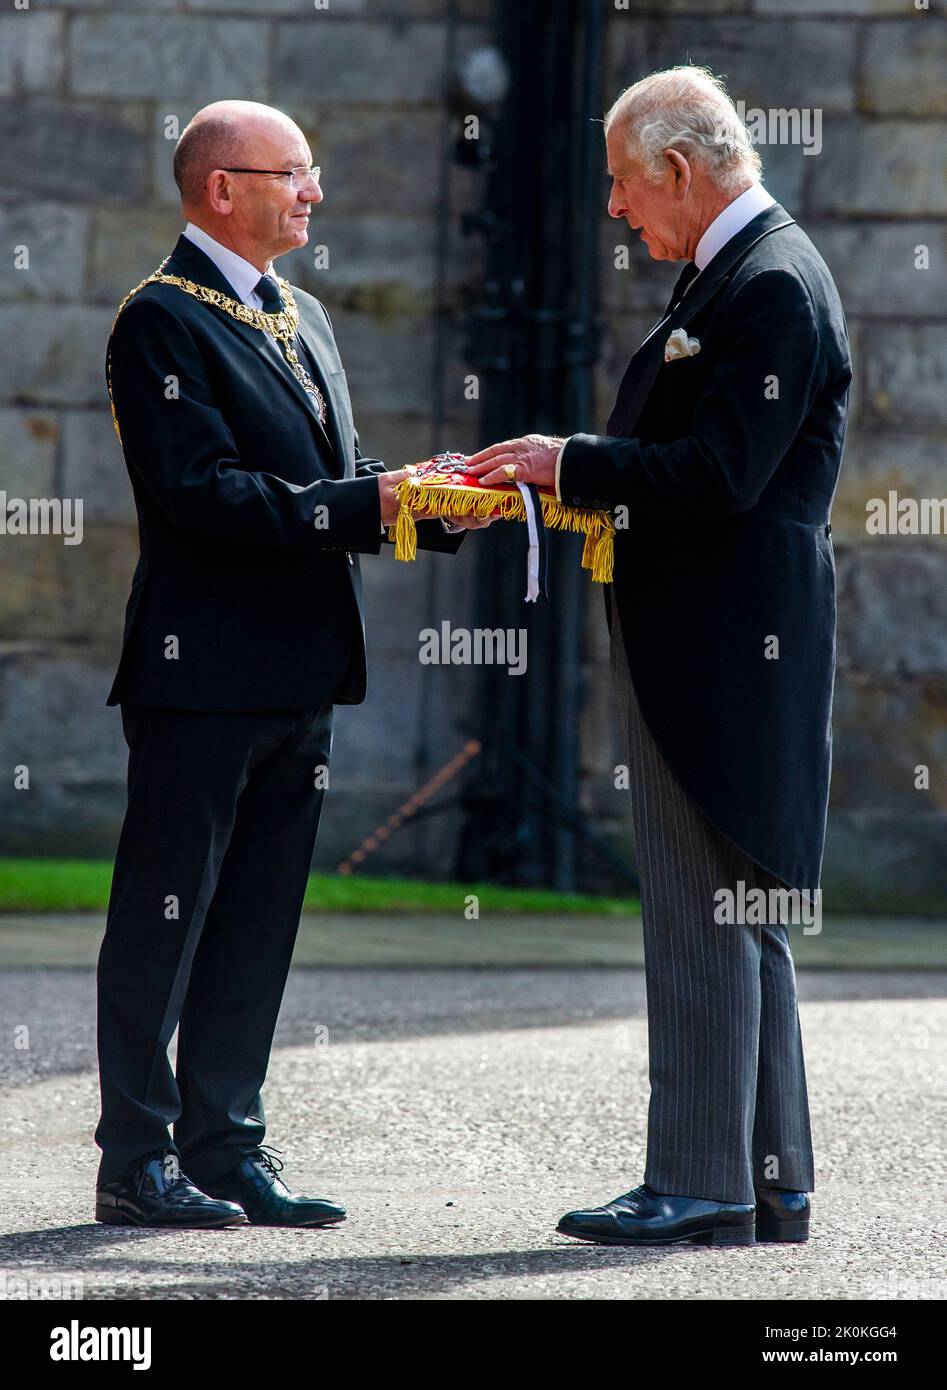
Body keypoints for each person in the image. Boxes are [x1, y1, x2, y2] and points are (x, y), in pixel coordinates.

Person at [467, 65, 851, 1247]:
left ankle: (699, 1181)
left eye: (626, 187)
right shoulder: (738, 270)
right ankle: (768, 1178)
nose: (617, 212)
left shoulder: (769, 280)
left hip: (726, 643)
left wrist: (563, 462)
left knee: (701, 911)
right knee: (744, 910)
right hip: (731, 633)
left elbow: (720, 475)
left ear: (679, 171)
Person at [95, 99, 488, 1230]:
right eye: (293, 173)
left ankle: (226, 1148)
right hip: (201, 670)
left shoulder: (301, 313)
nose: (313, 191)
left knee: (259, 918)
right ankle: (136, 1158)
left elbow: (336, 475)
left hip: (303, 670)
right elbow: (201, 494)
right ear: (222, 188)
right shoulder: (159, 319)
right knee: (166, 913)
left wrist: (443, 502)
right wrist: (365, 501)